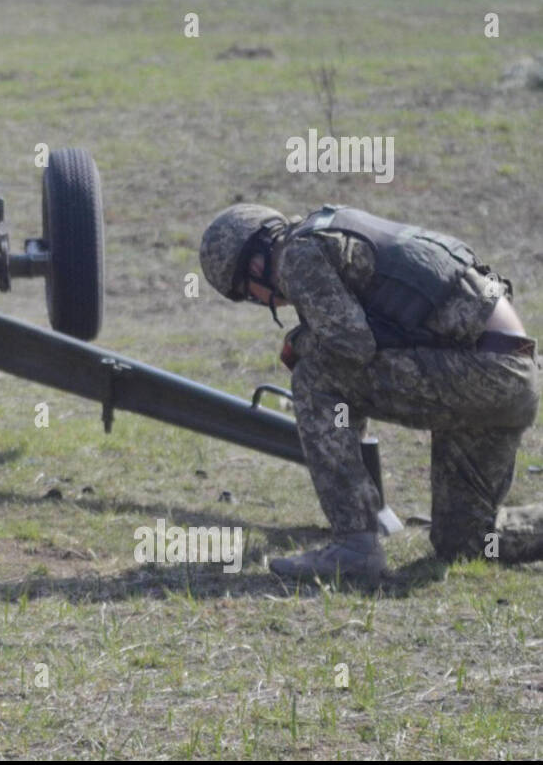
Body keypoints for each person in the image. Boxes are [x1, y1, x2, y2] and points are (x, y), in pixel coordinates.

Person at [200, 202, 543, 583]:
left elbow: (351, 345)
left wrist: (299, 344)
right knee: (464, 540)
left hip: (479, 374)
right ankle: (365, 536)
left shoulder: (297, 256)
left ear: (255, 266)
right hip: (509, 376)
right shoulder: (333, 231)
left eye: (246, 293)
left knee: (315, 378)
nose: (263, 302)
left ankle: (354, 545)